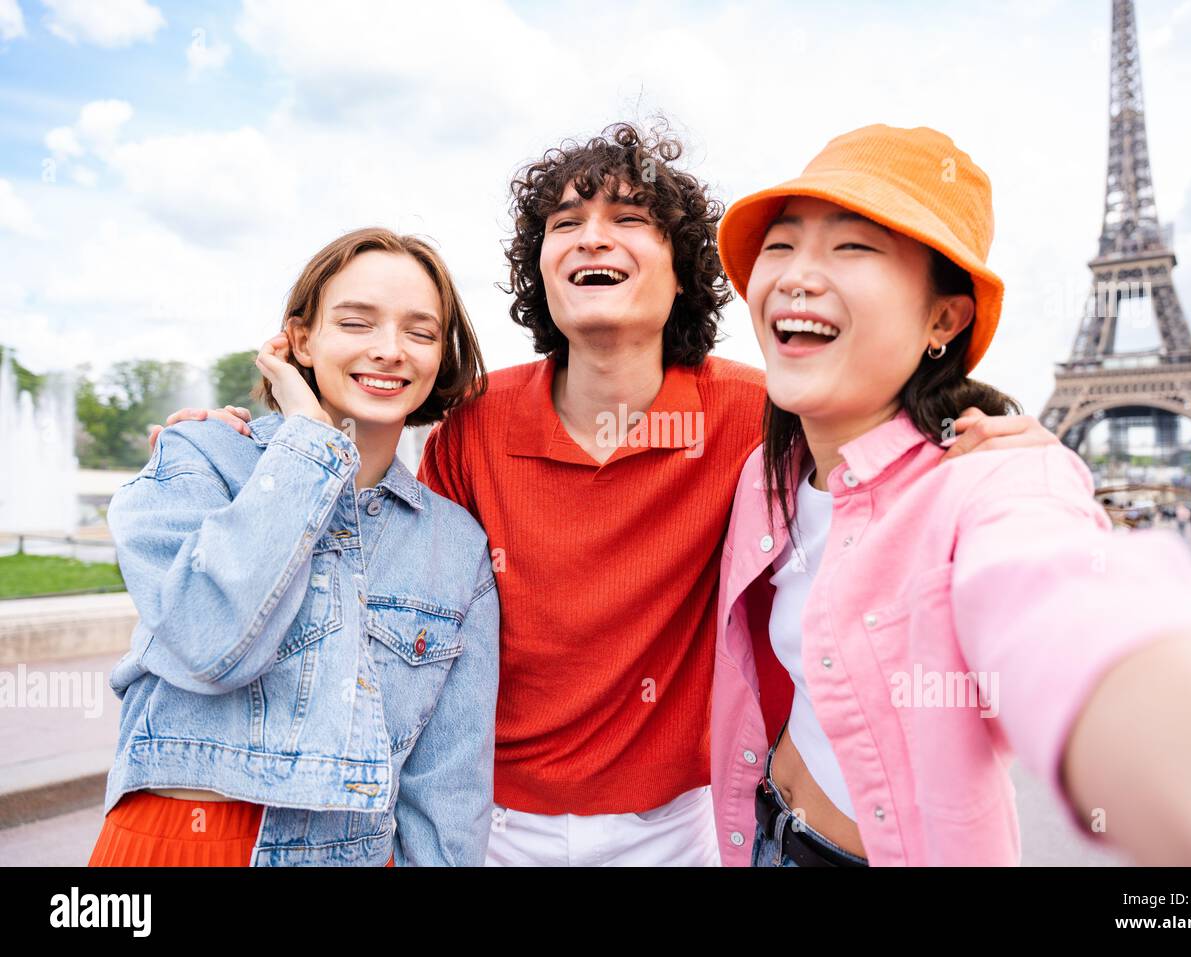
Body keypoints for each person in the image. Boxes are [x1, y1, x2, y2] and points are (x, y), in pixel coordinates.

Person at [149, 122, 1058, 866]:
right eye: (562, 222)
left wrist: (997, 439)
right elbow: (386, 560)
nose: (590, 236)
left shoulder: (758, 411)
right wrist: (264, 434)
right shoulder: (473, 422)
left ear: (684, 272)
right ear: (540, 272)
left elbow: (881, 439)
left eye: (630, 219)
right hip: (493, 825)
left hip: (682, 828)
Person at [709, 124, 1191, 867]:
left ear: (943, 318)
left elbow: (1062, 604)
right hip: (759, 828)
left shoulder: (990, 481)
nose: (797, 273)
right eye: (781, 244)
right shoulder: (767, 473)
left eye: (852, 246)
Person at [91, 228, 499, 866]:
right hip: (180, 845)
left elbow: (448, 788)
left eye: (420, 332)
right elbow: (210, 644)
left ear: (440, 357)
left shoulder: (455, 545)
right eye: (356, 322)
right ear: (301, 339)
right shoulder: (198, 459)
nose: (389, 350)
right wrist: (309, 440)